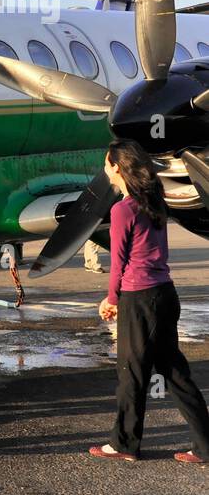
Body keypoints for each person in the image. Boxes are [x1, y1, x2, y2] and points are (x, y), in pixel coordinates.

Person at [90, 139, 209, 464]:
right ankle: (205, 445)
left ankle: (125, 443)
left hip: (139, 297)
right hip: (165, 293)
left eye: (106, 164)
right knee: (174, 372)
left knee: (131, 373)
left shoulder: (121, 210)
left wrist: (111, 299)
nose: (104, 169)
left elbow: (119, 261)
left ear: (117, 167)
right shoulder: (154, 201)